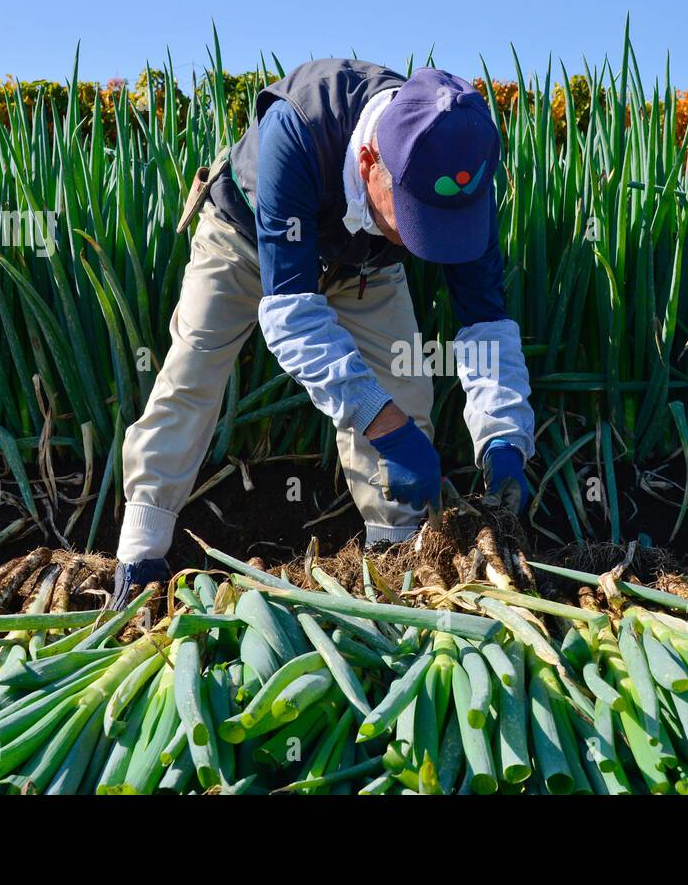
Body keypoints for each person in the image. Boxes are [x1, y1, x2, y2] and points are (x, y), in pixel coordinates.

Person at [109, 60, 535, 605]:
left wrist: (503, 438)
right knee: (193, 372)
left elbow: (486, 322)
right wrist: (388, 430)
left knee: (403, 387)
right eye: (413, 218)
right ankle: (140, 554)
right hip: (246, 243)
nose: (425, 239)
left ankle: (398, 558)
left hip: (364, 267)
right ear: (369, 161)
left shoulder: (459, 171)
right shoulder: (297, 128)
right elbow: (291, 319)